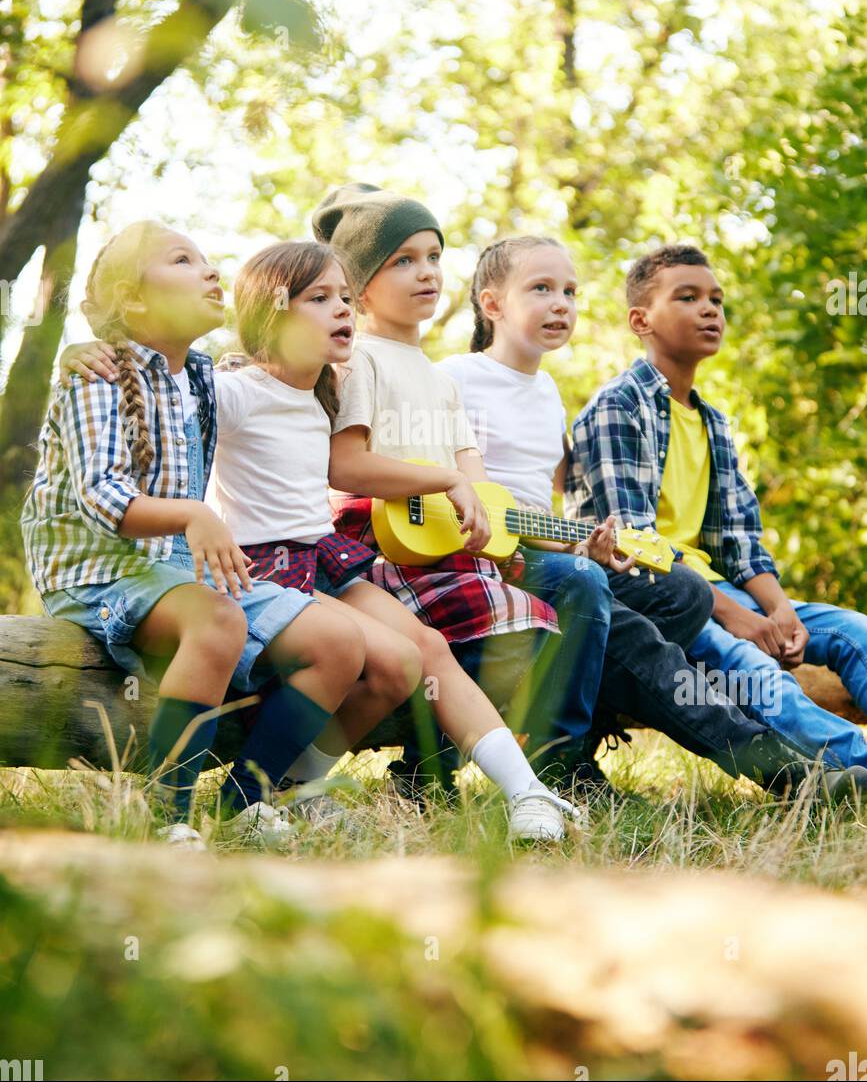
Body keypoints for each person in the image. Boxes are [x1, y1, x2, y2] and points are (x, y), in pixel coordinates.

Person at [59, 232, 586, 844]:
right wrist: (87, 349)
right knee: (361, 653)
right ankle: (253, 795)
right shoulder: (232, 391)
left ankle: (523, 792)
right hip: (265, 565)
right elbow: (160, 382)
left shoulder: (324, 393)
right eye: (321, 297)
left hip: (324, 555)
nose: (343, 309)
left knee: (415, 658)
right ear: (275, 312)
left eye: (344, 296)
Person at [437, 233, 843, 798]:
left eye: (571, 292)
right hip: (472, 562)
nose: (562, 304)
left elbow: (539, 513)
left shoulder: (547, 392)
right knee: (637, 641)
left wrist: (588, 545)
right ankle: (781, 772)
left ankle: (582, 724)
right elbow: (428, 477)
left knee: (684, 592)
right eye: (542, 289)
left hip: (540, 559)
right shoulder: (455, 377)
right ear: (492, 304)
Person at [24, 220, 378, 852]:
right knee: (218, 621)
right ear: (133, 301)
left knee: (339, 642)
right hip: (97, 572)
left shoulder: (202, 380)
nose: (211, 271)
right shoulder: (97, 376)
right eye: (184, 260)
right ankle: (167, 810)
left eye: (208, 259)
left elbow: (272, 376)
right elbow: (103, 496)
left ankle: (248, 799)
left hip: (173, 570)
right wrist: (192, 515)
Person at [568, 242, 867, 793]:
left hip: (728, 591)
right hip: (664, 598)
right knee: (756, 676)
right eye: (688, 297)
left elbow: (740, 540)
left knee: (854, 632)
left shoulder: (712, 422)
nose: (710, 310)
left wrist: (779, 612)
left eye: (716, 300)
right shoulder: (619, 407)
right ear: (642, 320)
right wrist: (739, 620)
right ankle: (856, 764)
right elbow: (635, 546)